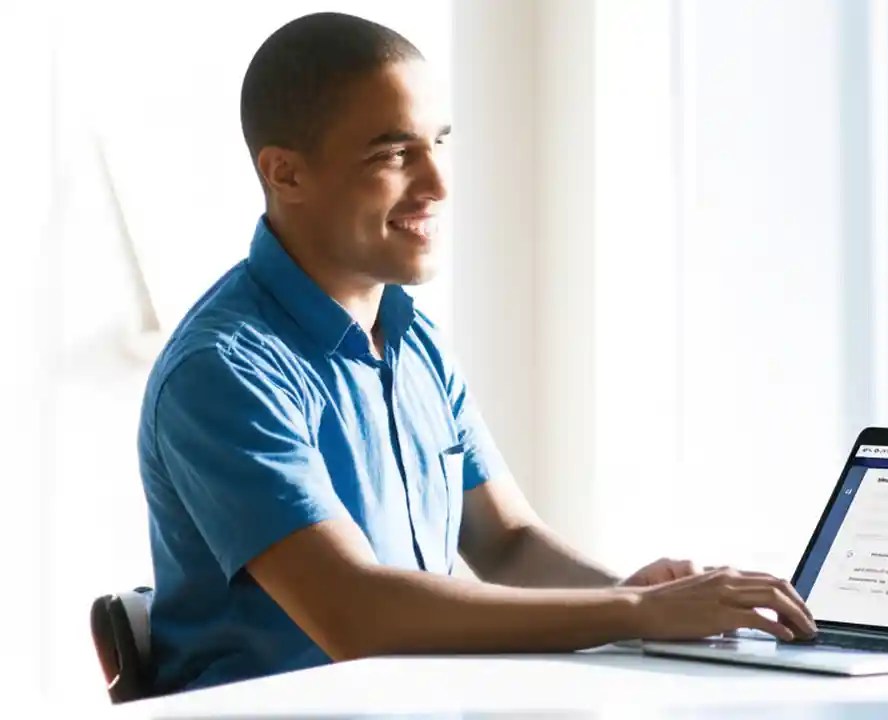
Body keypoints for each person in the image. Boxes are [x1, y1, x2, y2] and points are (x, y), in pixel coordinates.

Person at [137, 11, 815, 695]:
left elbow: (505, 542)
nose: (437, 183)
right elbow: (356, 615)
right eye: (394, 154)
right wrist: (636, 612)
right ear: (285, 174)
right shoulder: (224, 371)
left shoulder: (413, 337)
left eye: (440, 142)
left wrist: (643, 601)